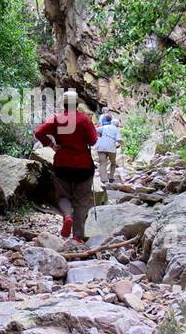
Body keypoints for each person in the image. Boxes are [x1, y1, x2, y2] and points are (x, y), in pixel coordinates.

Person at [33, 90, 98, 243]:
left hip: (62, 164)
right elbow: (93, 141)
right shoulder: (84, 120)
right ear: (77, 104)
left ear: (64, 104)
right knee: (81, 201)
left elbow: (38, 132)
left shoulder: (57, 118)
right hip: (83, 165)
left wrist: (51, 144)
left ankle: (67, 216)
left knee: (63, 196)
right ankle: (77, 236)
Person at [95, 111, 122, 185]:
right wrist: (122, 144)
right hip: (111, 148)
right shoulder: (116, 129)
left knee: (102, 163)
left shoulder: (103, 127)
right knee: (113, 163)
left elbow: (94, 130)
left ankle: (103, 180)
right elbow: (119, 139)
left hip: (101, 147)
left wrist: (99, 136)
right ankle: (111, 177)